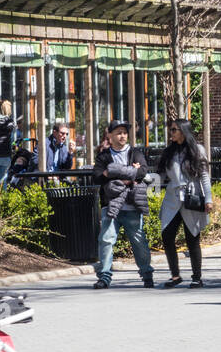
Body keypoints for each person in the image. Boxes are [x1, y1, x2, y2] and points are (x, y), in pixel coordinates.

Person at [91, 120, 155, 288]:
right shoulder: (103, 156)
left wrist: (113, 172)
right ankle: (104, 276)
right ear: (110, 136)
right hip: (110, 204)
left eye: (124, 133)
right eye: (118, 132)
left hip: (132, 205)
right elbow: (97, 175)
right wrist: (129, 173)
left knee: (139, 241)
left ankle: (147, 273)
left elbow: (142, 171)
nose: (122, 136)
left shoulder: (136, 153)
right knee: (106, 239)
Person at [157, 119, 214, 288]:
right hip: (172, 199)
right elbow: (160, 176)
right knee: (167, 236)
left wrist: (208, 199)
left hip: (192, 198)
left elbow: (204, 176)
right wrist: (146, 184)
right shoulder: (169, 152)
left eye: (174, 129)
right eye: (171, 129)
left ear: (183, 131)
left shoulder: (197, 150)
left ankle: (197, 277)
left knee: (193, 238)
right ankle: (175, 276)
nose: (171, 133)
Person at [0, 99, 17, 183]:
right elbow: (13, 139)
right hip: (6, 156)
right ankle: (3, 196)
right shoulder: (10, 122)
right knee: (2, 182)